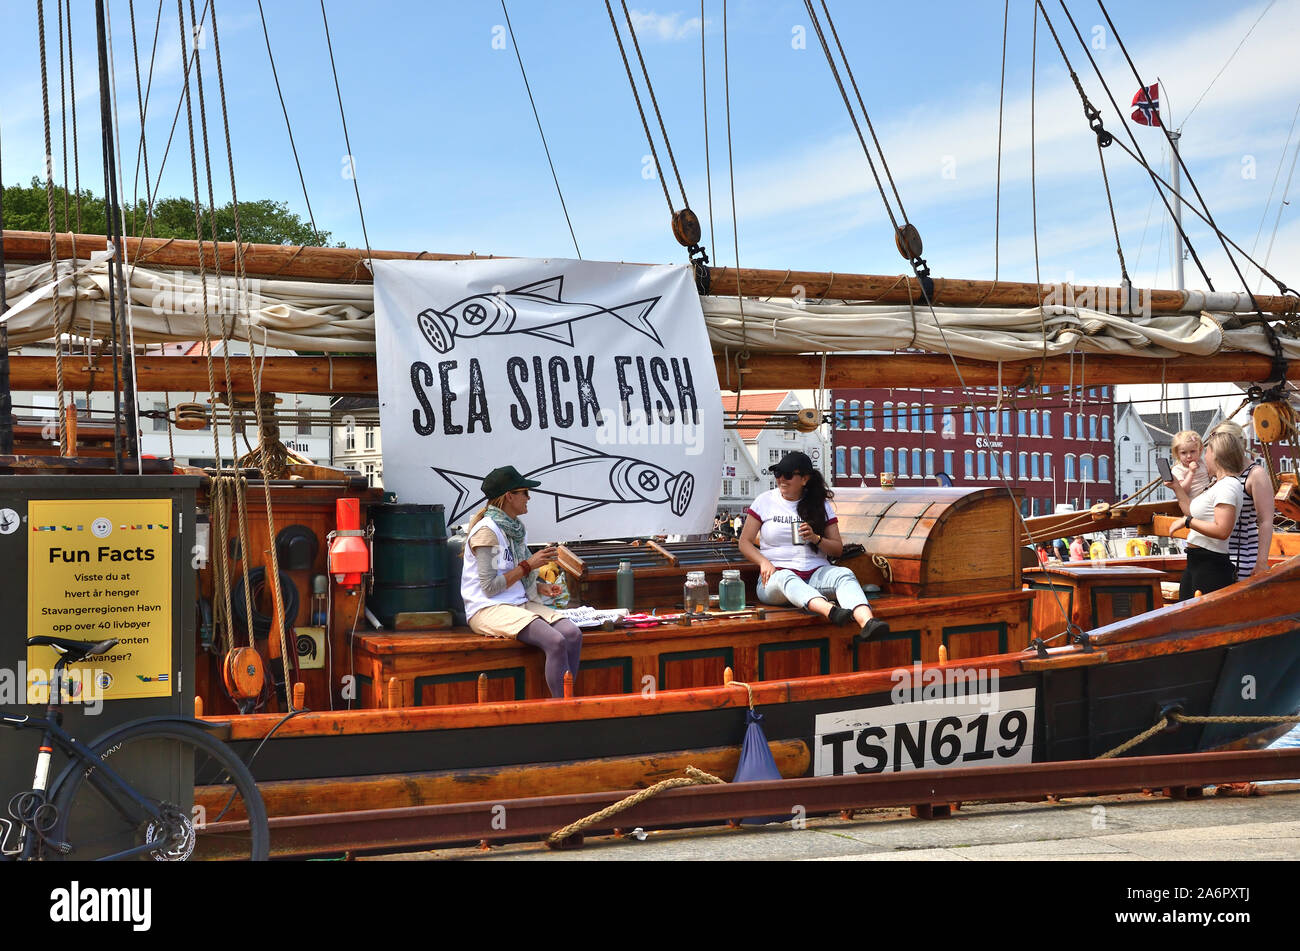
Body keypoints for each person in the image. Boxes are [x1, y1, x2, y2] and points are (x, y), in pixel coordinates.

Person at [739, 451, 889, 640]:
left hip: (815, 575)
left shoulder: (820, 505)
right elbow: (744, 542)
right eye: (778, 474)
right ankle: (831, 612)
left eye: (787, 475)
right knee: (786, 576)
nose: (781, 479)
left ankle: (868, 622)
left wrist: (815, 538)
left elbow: (837, 549)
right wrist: (763, 562)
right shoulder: (764, 501)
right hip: (774, 580)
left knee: (843, 574)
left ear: (804, 479)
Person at [461, 465, 582, 697]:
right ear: (509, 496)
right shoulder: (487, 532)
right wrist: (528, 565)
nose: (529, 498)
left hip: (516, 603)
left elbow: (510, 576)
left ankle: (567, 699)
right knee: (555, 641)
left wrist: (539, 587)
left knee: (572, 634)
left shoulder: (515, 530)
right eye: (525, 492)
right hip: (486, 608)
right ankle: (563, 707)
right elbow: (490, 588)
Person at [1164, 430, 1245, 600]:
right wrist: (1177, 487)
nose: (1203, 457)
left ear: (1216, 456)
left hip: (1210, 565)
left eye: (1206, 452)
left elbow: (1222, 530)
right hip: (1197, 562)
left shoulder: (1227, 487)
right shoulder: (1217, 485)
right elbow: (1191, 511)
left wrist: (1188, 522)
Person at [1211, 420, 1274, 578]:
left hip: (1243, 559)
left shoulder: (1255, 474)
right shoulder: (1220, 471)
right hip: (1217, 557)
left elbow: (1265, 521)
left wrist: (1261, 563)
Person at [1169, 430, 1210, 500]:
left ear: (1200, 450)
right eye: (1183, 453)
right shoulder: (1178, 469)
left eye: (1192, 451)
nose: (1189, 456)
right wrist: (1191, 473)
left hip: (1209, 497)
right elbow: (1182, 491)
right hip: (1193, 502)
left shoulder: (1202, 463)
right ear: (1177, 454)